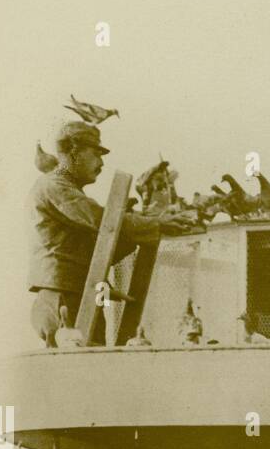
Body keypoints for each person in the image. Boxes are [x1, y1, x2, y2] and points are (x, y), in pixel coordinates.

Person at [29, 119, 195, 347]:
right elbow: (102, 221)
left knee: (92, 362)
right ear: (72, 151)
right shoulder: (54, 186)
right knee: (76, 369)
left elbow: (101, 246)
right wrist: (156, 224)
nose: (101, 163)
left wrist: (139, 226)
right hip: (64, 296)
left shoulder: (65, 190)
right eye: (95, 154)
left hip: (80, 292)